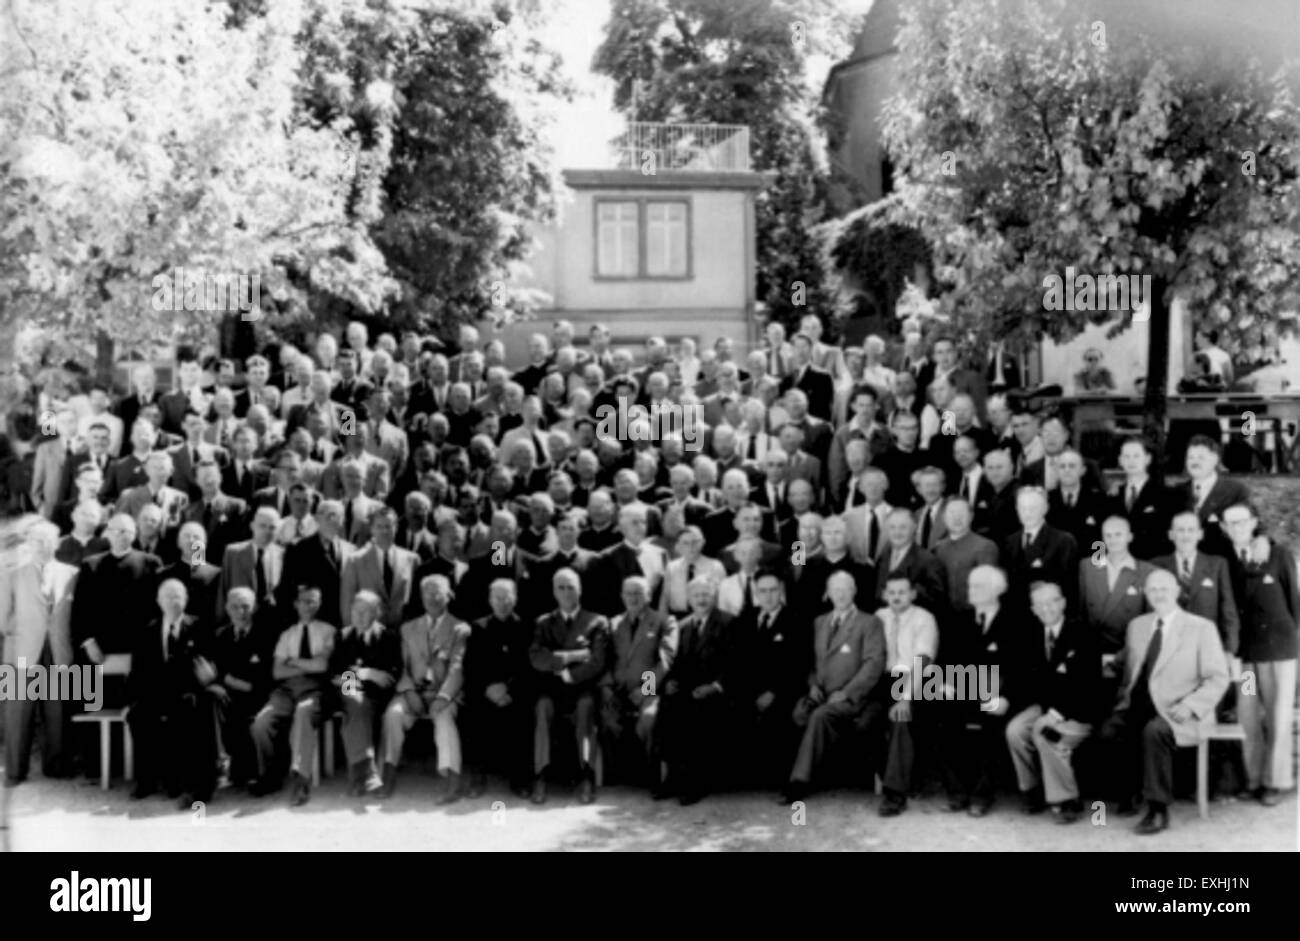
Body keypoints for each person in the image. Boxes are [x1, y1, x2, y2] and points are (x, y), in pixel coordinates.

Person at [1097, 568, 1229, 835]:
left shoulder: (1200, 628)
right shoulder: (1138, 626)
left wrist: (1191, 705)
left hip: (1178, 708)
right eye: (1153, 589)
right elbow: (1125, 660)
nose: (1159, 594)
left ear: (1177, 592)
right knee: (1109, 731)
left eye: (1164, 589)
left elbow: (1217, 677)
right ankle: (1129, 792)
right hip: (1139, 705)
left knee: (1154, 731)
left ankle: (1158, 810)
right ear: (1146, 594)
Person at [783, 571, 884, 803]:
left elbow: (874, 663)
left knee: (820, 716)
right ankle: (800, 773)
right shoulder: (820, 621)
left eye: (845, 588)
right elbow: (813, 662)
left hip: (854, 698)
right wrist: (812, 685)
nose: (840, 594)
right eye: (835, 589)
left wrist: (847, 692)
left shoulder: (869, 622)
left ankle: (798, 782)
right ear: (827, 593)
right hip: (823, 692)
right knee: (798, 713)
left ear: (854, 591)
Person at [1004, 581, 1101, 824]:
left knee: (1047, 733)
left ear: (1063, 603)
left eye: (1052, 602)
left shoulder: (1083, 633)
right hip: (1044, 707)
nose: (1046, 608)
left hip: (1078, 713)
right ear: (1033, 609)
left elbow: (1087, 686)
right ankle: (1032, 790)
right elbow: (1026, 682)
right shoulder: (1030, 635)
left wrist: (1055, 714)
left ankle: (1067, 799)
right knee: (1015, 730)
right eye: (1040, 605)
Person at [1222, 503, 1297, 806]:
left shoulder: (1277, 555)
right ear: (1224, 529)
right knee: (1249, 716)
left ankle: (1276, 782)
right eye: (1231, 524)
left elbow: (1295, 602)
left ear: (1254, 522)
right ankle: (1253, 779)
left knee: (1279, 716)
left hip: (1278, 652)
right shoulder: (1225, 560)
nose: (1237, 527)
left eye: (1242, 522)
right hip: (1247, 658)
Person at [126, 579, 219, 806]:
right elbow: (138, 671)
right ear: (158, 601)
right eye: (167, 596)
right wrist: (136, 698)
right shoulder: (148, 629)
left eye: (178, 595)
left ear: (186, 600)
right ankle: (146, 781)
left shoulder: (200, 626)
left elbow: (208, 665)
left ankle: (180, 780)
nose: (173, 600)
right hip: (155, 693)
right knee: (138, 715)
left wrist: (209, 676)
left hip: (188, 692)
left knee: (188, 711)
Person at [0, 522, 79, 783]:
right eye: (37, 541)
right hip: (22, 649)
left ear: (57, 544)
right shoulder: (12, 574)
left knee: (56, 711)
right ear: (29, 544)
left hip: (57, 648)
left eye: (47, 541)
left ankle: (56, 766)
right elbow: (3, 617)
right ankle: (15, 770)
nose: (43, 546)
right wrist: (25, 631)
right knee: (18, 712)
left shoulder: (72, 573)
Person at [382, 575, 469, 801]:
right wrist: (409, 693)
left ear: (448, 596)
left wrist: (443, 697)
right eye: (427, 592)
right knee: (393, 714)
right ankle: (388, 773)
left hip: (444, 692)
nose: (432, 597)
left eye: (437, 591)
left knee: (444, 719)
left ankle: (452, 781)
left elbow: (457, 668)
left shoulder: (460, 629)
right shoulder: (408, 629)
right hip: (414, 692)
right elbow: (401, 667)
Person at [654, 575, 739, 805]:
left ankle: (695, 782)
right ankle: (671, 777)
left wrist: (715, 686)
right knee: (668, 704)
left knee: (698, 710)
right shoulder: (681, 626)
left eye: (706, 594)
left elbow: (735, 663)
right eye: (696, 595)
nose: (701, 599)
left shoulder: (729, 622)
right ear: (689, 599)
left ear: (714, 596)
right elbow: (674, 662)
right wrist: (669, 682)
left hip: (719, 691)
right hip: (689, 689)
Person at [528, 567, 610, 804]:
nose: (566, 592)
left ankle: (586, 776)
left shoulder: (596, 621)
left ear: (580, 590)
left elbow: (596, 661)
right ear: (554, 591)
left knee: (585, 708)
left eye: (571, 587)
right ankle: (540, 774)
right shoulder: (544, 622)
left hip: (582, 686)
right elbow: (536, 658)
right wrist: (572, 656)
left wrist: (567, 674)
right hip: (552, 689)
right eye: (561, 587)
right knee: (542, 707)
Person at [860, 572, 939, 816]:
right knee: (864, 724)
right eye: (891, 592)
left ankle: (894, 794)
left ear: (913, 594)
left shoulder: (924, 618)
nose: (896, 597)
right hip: (884, 682)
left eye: (902, 592)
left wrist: (906, 698)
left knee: (900, 720)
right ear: (884, 595)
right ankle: (897, 777)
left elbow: (923, 660)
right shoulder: (878, 617)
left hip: (916, 681)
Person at [250, 584, 337, 805]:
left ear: (319, 604)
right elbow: (277, 671)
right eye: (303, 601)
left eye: (312, 601)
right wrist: (308, 664)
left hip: (315, 689)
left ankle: (301, 780)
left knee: (303, 711)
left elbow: (322, 667)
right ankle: (269, 776)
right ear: (295, 604)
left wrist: (293, 661)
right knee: (261, 722)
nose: (307, 606)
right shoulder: (287, 635)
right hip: (286, 690)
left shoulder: (329, 631)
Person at [601, 576, 677, 786]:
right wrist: (607, 687)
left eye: (639, 593)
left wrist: (646, 689)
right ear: (622, 596)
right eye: (629, 593)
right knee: (607, 718)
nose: (633, 598)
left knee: (648, 719)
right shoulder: (613, 623)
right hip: (617, 688)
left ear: (649, 596)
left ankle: (651, 774)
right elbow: (604, 659)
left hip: (648, 688)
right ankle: (616, 773)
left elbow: (665, 659)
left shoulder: (664, 621)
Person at [463, 578, 532, 797]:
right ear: (490, 600)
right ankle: (477, 777)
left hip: (515, 691)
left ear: (515, 599)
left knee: (523, 713)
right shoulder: (478, 627)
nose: (502, 603)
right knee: (474, 712)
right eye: (497, 598)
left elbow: (528, 667)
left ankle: (520, 780)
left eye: (507, 597)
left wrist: (509, 691)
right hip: (485, 691)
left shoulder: (526, 627)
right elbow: (471, 666)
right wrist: (488, 689)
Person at [332, 590, 400, 795]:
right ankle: (369, 772)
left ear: (376, 613)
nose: (358, 617)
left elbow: (390, 677)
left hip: (378, 698)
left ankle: (357, 776)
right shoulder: (343, 636)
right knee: (354, 699)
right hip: (347, 693)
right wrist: (367, 673)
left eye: (365, 612)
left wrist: (354, 674)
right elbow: (334, 674)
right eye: (355, 611)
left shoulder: (389, 637)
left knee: (355, 709)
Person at [208, 587, 274, 790]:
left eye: (245, 606)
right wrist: (221, 684)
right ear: (227, 608)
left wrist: (235, 682)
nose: (240, 612)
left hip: (258, 695)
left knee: (248, 712)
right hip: (229, 695)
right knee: (213, 703)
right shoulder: (220, 635)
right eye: (235, 607)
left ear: (254, 608)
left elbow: (267, 675)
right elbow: (216, 670)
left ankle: (252, 771)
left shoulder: (266, 635)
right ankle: (223, 767)